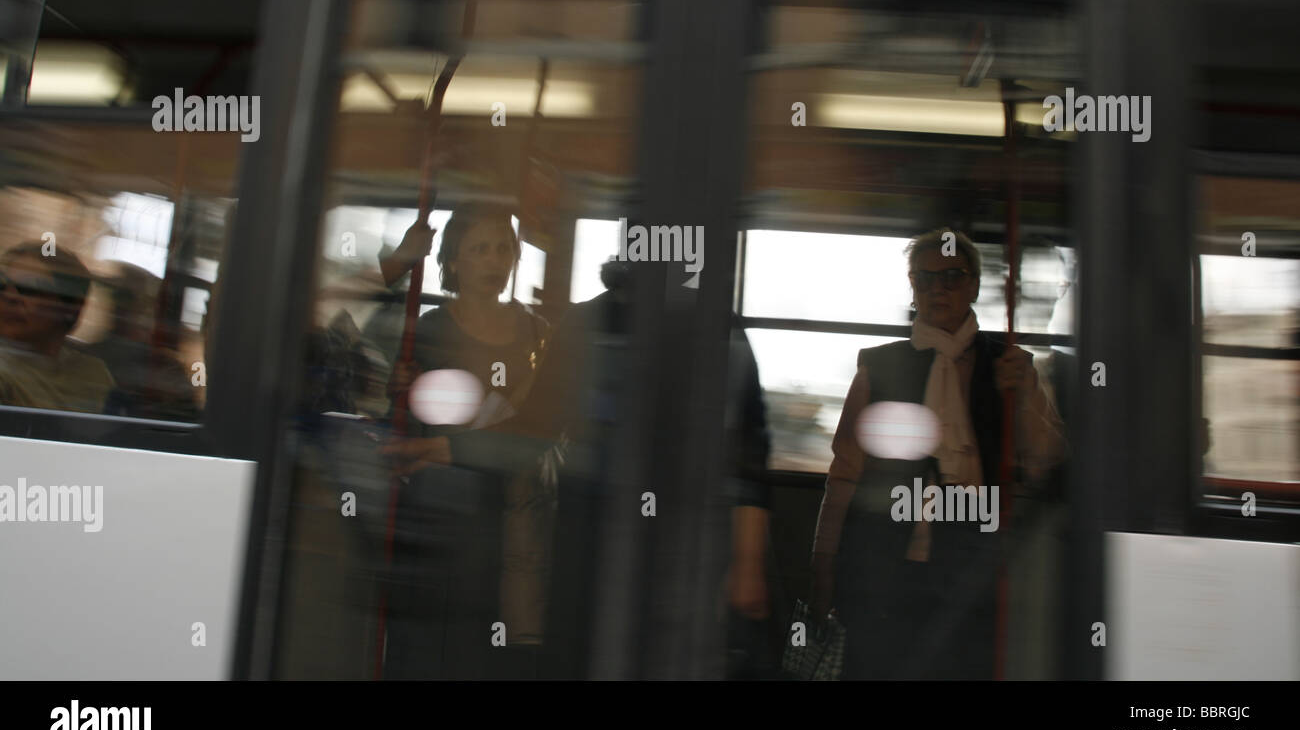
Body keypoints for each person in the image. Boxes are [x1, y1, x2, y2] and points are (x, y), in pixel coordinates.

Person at [387, 251, 776, 679]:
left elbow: (746, 458)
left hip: (676, 544)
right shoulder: (588, 321)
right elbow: (537, 426)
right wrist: (442, 449)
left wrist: (747, 562)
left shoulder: (715, 326)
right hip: (593, 536)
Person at [810, 227, 1064, 679]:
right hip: (884, 565)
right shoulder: (879, 367)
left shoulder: (1011, 367)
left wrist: (1022, 396)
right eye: (923, 279)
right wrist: (825, 567)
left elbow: (1047, 463)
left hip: (972, 570)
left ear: (973, 286)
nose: (936, 290)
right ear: (912, 286)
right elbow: (845, 475)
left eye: (950, 276)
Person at [379, 203, 550, 680]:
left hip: (510, 511)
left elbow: (544, 426)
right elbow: (403, 427)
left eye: (503, 248)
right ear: (453, 261)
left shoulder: (538, 335)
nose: (494, 261)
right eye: (479, 250)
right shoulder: (429, 330)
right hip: (438, 513)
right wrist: (399, 391)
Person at [0, 242, 115, 414]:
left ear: (71, 307)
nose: (9, 297)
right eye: (2, 286)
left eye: (29, 288)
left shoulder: (93, 374)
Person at [80, 262, 199, 421]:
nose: (120, 307)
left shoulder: (164, 365)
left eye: (127, 298)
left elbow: (184, 418)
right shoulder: (89, 357)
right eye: (119, 297)